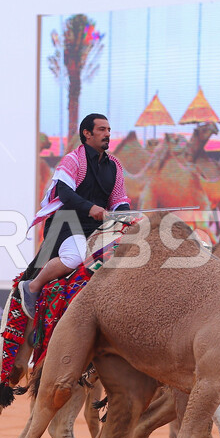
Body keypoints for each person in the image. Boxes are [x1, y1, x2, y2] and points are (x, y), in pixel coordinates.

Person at [20, 113, 131, 317]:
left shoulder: (115, 165)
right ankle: (33, 286)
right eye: (102, 130)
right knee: (74, 257)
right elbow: (65, 193)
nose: (107, 134)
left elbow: (119, 200)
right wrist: (91, 208)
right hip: (67, 222)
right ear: (87, 133)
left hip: (98, 227)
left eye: (108, 130)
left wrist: (125, 215)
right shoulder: (72, 159)